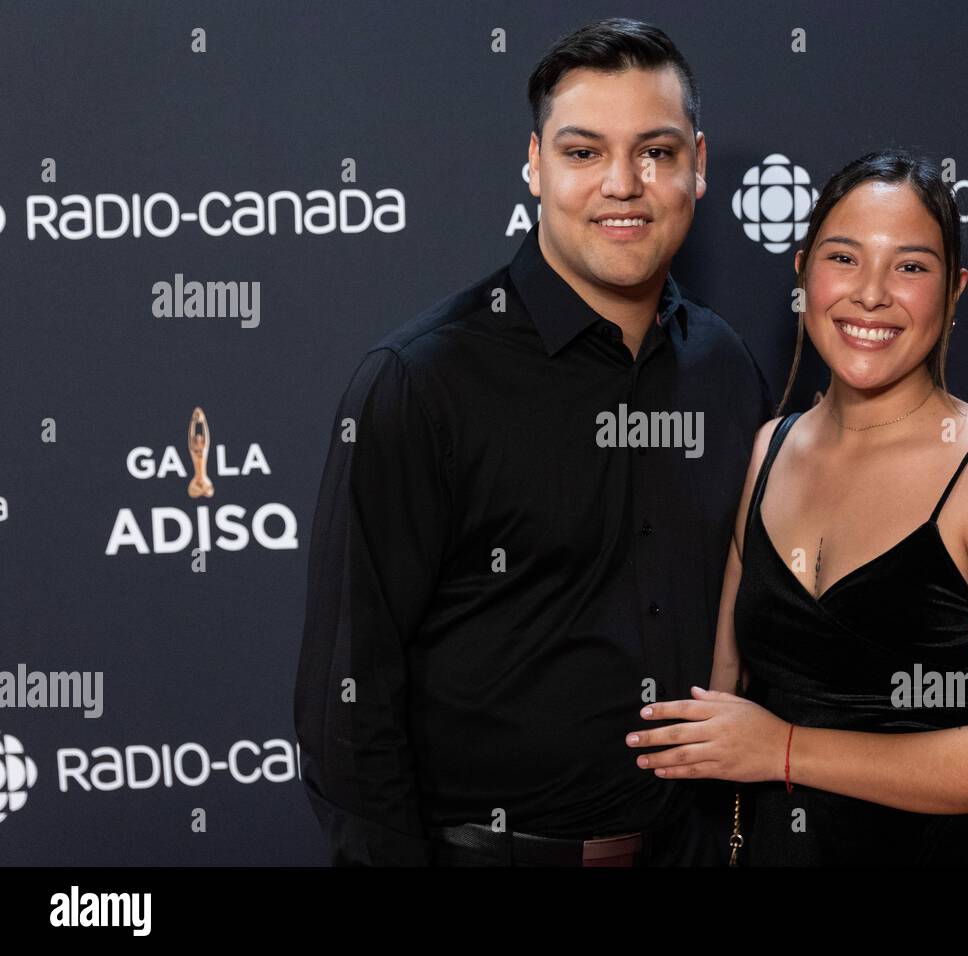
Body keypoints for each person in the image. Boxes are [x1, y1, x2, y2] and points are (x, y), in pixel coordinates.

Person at [292, 17, 772, 866]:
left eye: (656, 152)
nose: (623, 184)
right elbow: (348, 698)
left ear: (697, 166)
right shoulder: (421, 383)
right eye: (584, 152)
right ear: (534, 164)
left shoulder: (726, 368)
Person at [623, 148, 968, 865]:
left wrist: (786, 749)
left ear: (953, 291)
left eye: (911, 267)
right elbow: (719, 691)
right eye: (844, 258)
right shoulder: (769, 449)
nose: (871, 294)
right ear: (803, 272)